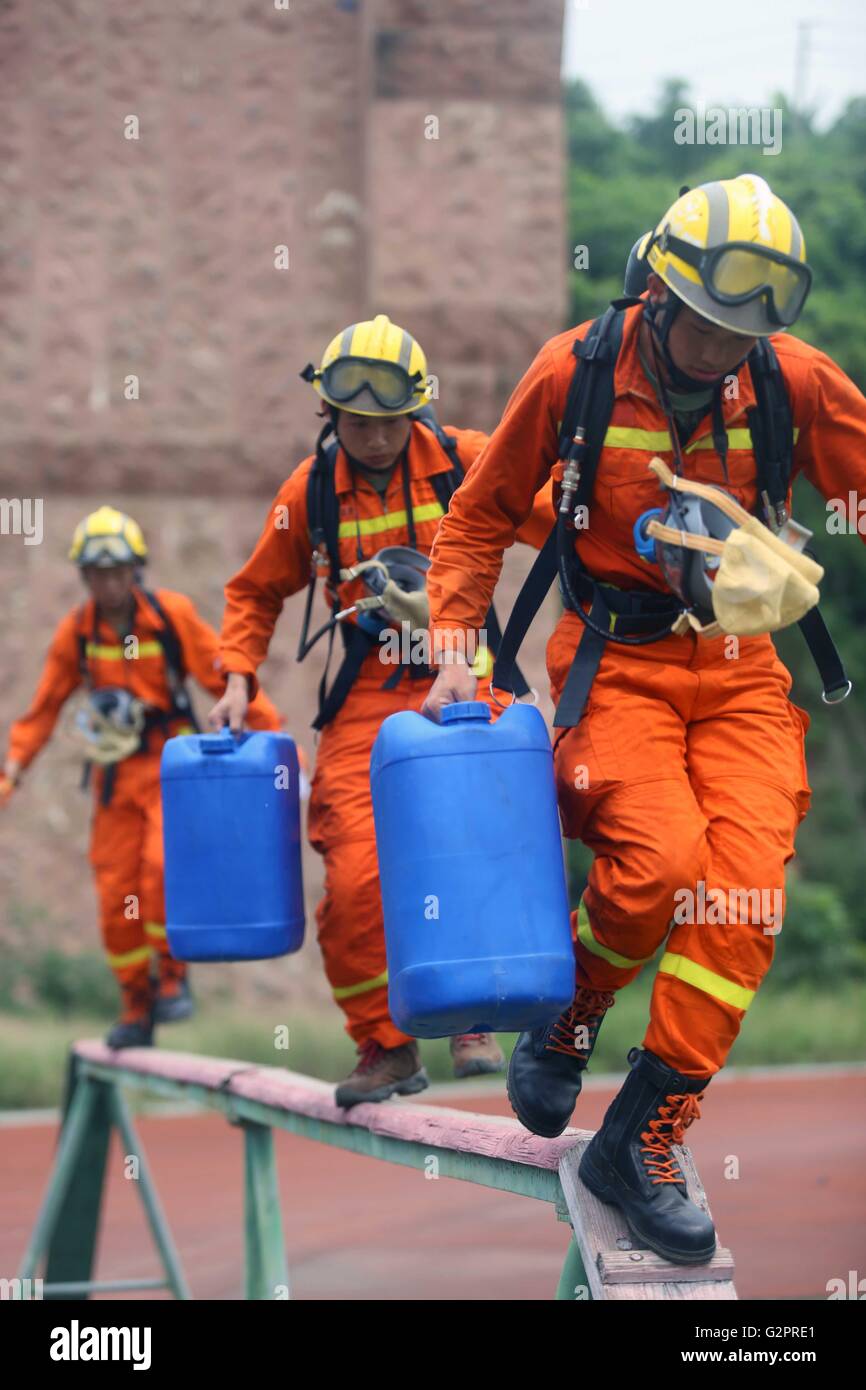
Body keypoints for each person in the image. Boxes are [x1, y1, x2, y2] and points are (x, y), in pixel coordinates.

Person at [421, 174, 866, 1263]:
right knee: (658, 860)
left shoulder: (787, 380)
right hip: (611, 661)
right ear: (656, 292)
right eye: (706, 328)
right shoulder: (572, 372)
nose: (720, 354)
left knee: (745, 893)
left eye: (742, 336)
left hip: (740, 669)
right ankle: (567, 1018)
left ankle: (645, 1131)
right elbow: (478, 518)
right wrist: (447, 648)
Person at [211, 314, 554, 1106]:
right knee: (355, 877)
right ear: (330, 416)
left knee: (485, 844)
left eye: (387, 421)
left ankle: (479, 1009)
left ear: (416, 410)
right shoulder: (309, 495)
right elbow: (254, 590)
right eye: (356, 421)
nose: (372, 436)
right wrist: (236, 677)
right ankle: (387, 1044)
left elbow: (570, 531)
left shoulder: (467, 462)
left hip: (460, 678)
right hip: (368, 695)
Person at [1, 506, 282, 1048]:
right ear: (85, 578)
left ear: (136, 570)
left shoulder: (169, 617)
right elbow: (43, 709)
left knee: (160, 872)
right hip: (114, 778)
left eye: (118, 571)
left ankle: (173, 980)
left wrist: (274, 740)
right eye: (98, 574)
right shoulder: (77, 634)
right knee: (116, 895)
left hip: (171, 771)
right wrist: (12, 772)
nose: (109, 583)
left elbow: (223, 676)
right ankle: (138, 1004)